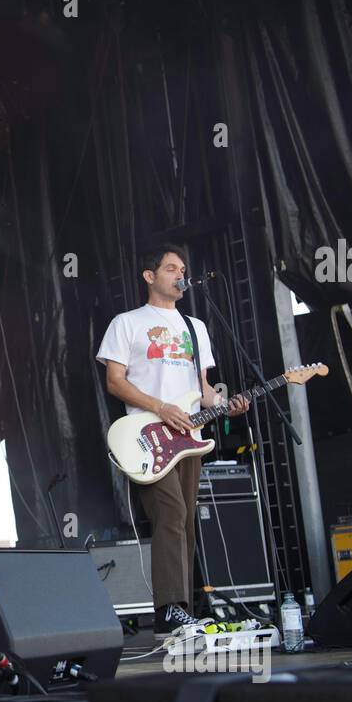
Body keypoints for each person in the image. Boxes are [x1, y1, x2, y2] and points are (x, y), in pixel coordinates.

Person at [97, 244, 250, 637]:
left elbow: (202, 390)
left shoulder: (196, 328)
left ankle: (185, 610)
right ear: (150, 276)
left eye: (183, 269)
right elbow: (115, 382)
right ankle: (169, 609)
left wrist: (225, 403)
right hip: (148, 436)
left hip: (190, 436)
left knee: (186, 523)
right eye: (171, 268)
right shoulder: (127, 322)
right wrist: (161, 407)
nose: (180, 275)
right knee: (171, 515)